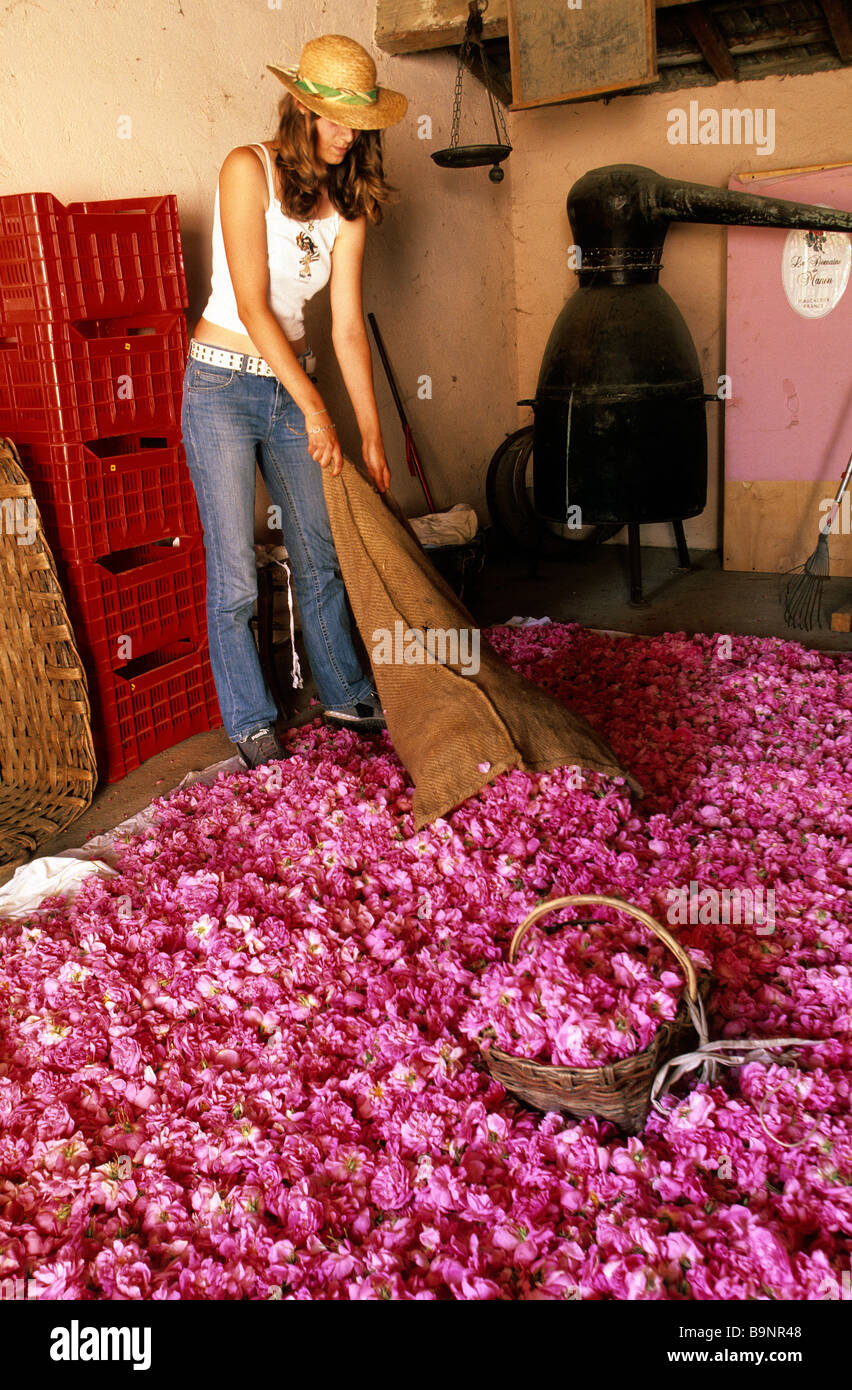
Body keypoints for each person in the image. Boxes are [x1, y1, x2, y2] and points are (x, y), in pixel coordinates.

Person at [181, 34, 408, 768]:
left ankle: (344, 689)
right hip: (220, 383)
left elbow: (345, 328)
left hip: (294, 383)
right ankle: (249, 719)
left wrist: (371, 436)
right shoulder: (246, 168)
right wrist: (317, 411)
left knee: (322, 551)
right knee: (236, 571)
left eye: (357, 124)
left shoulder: (351, 207)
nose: (347, 136)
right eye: (333, 119)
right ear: (300, 109)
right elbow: (251, 304)